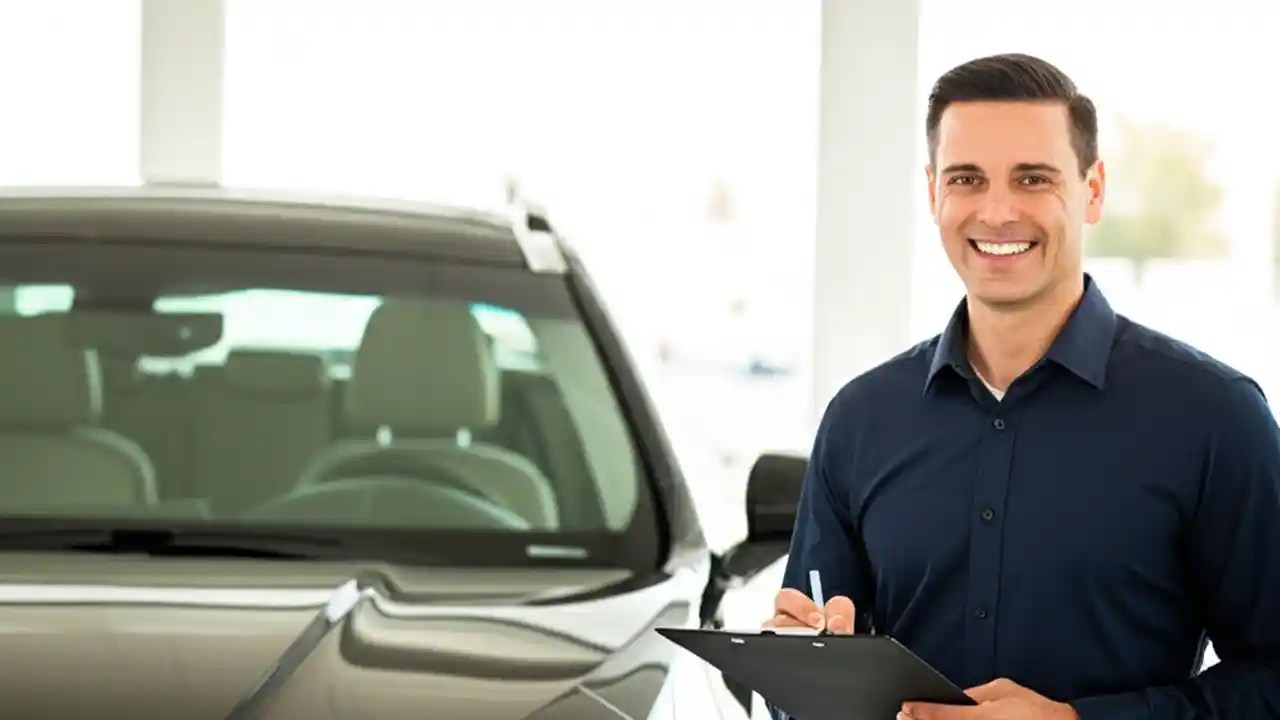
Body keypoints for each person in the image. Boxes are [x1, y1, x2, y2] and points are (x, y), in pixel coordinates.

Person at [767, 53, 1280, 719]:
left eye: (1032, 179)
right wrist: (797, 672)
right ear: (933, 194)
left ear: (1092, 190)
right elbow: (803, 687)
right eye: (967, 179)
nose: (998, 210)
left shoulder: (1214, 418)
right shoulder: (861, 420)